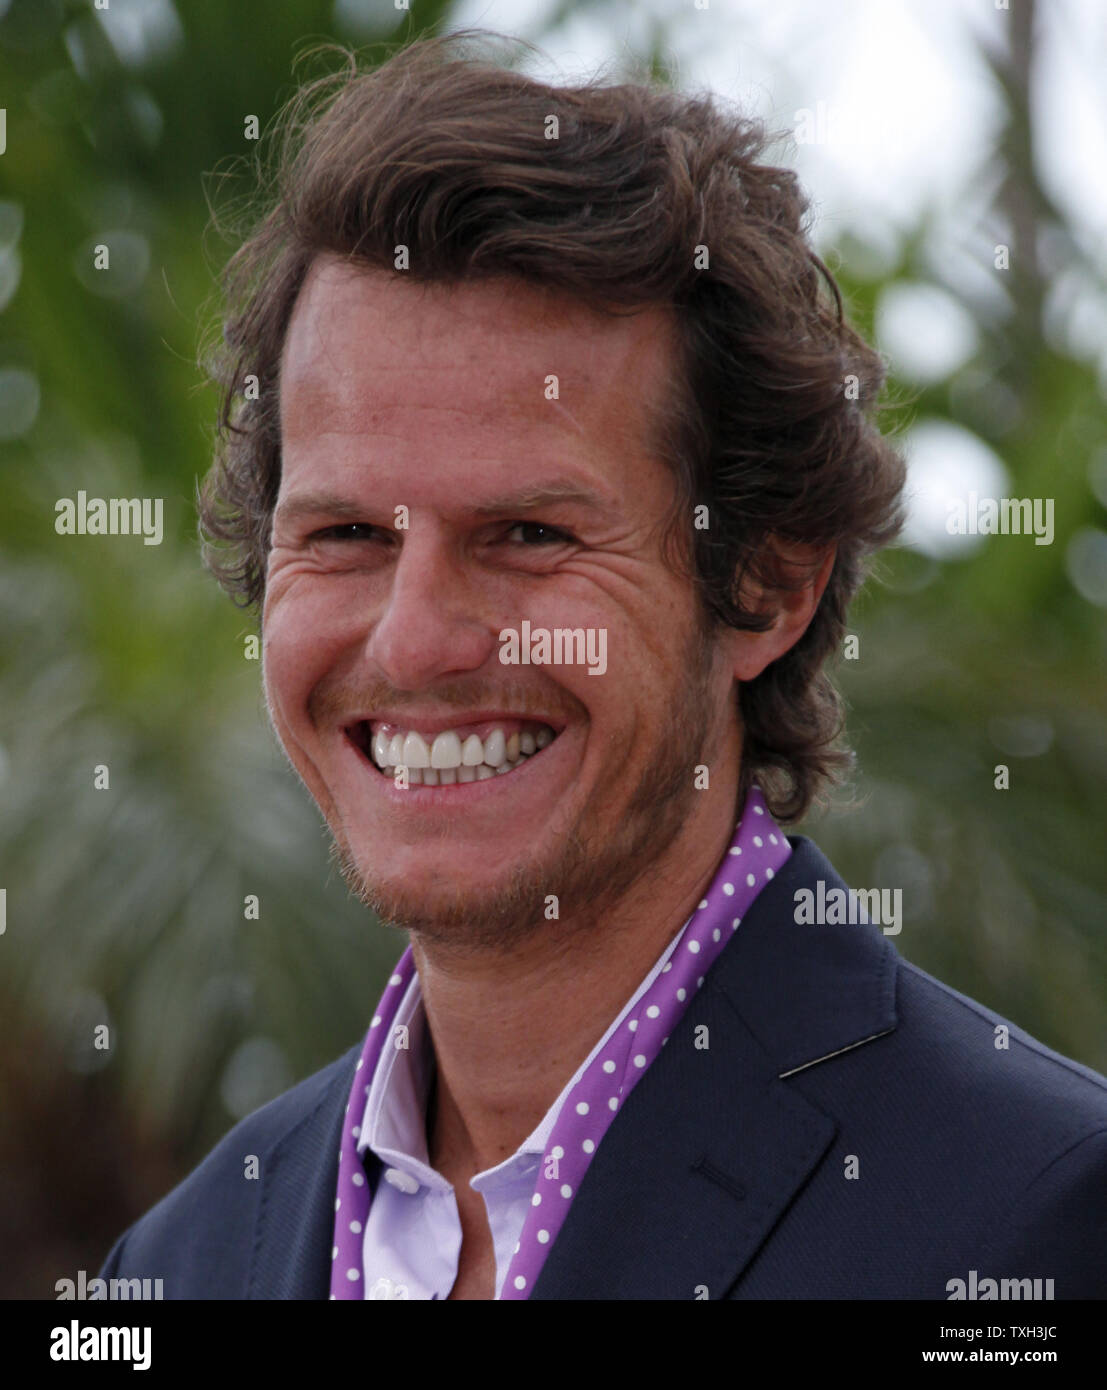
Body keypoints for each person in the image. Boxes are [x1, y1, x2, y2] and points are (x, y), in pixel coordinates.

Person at [99, 30, 1107, 1300]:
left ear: (767, 584)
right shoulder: (181, 1266)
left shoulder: (1040, 1227)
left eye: (529, 535)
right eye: (346, 534)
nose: (414, 639)